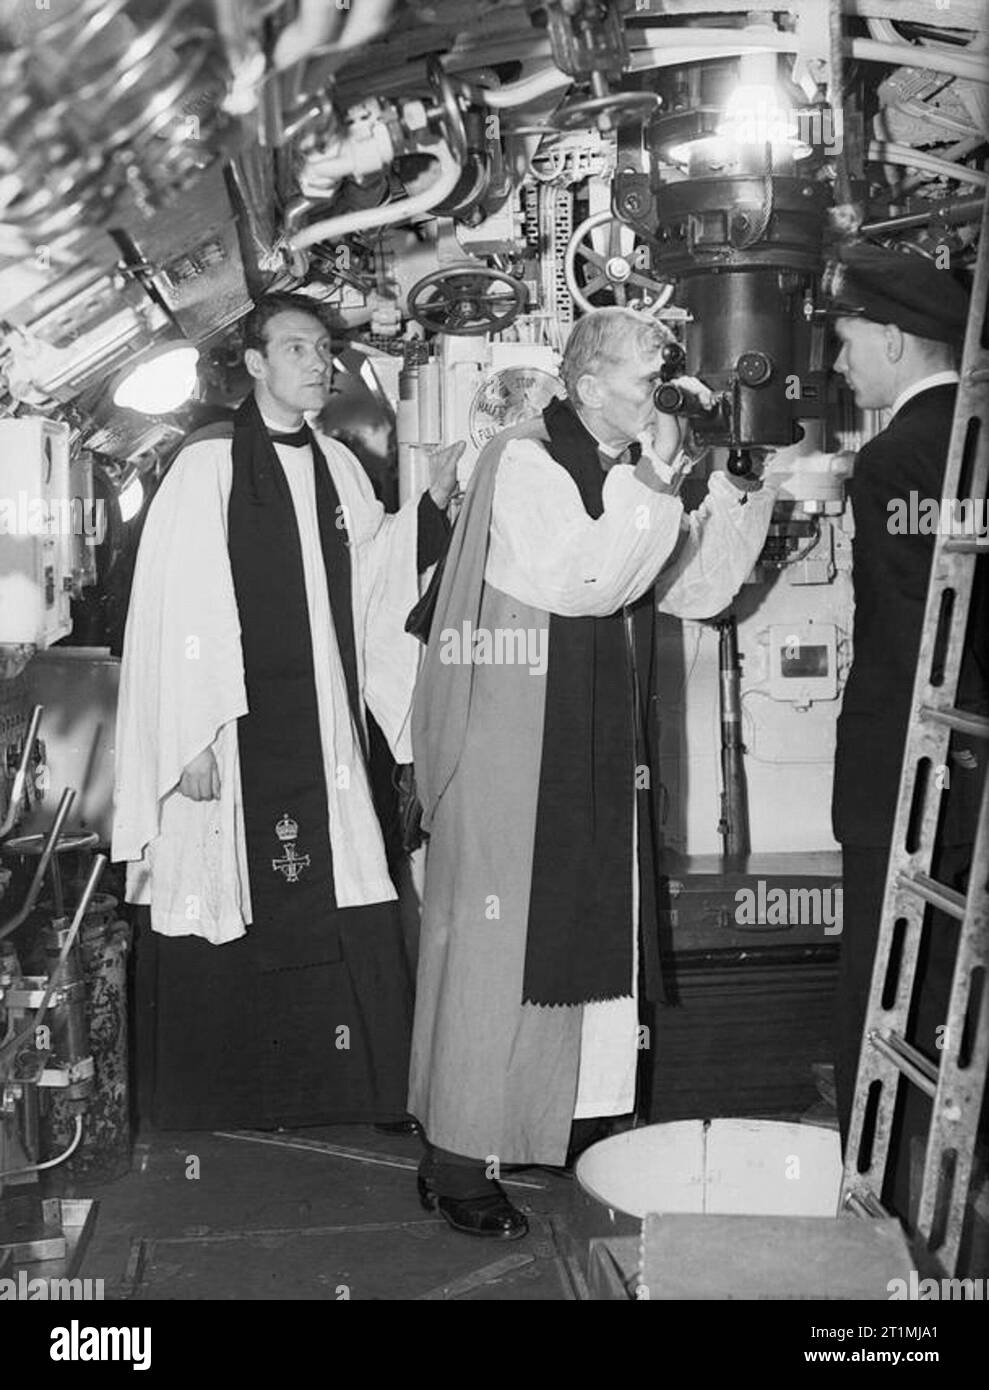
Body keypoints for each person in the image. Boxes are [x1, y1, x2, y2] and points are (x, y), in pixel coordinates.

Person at [408, 306, 786, 1237]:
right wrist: (657, 475)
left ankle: (541, 1124)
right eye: (644, 373)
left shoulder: (625, 473)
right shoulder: (524, 460)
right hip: (511, 744)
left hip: (585, 743)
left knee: (581, 935)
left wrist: (736, 485)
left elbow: (696, 589)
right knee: (500, 952)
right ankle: (456, 1158)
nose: (660, 388)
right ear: (585, 387)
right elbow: (586, 581)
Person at [112, 292, 461, 1131]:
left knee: (347, 874)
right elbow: (177, 609)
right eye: (297, 349)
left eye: (323, 349)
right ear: (255, 363)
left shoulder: (339, 464)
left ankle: (362, 1091)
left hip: (323, 727)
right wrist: (188, 738)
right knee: (226, 879)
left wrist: (431, 509)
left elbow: (373, 581)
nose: (319, 363)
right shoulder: (206, 465)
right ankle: (220, 1099)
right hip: (233, 733)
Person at [827, 243, 987, 1223]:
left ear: (889, 337)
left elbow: (903, 639)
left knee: (885, 985)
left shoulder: (892, 457)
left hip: (910, 775)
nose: (840, 367)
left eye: (847, 345)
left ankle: (875, 1199)